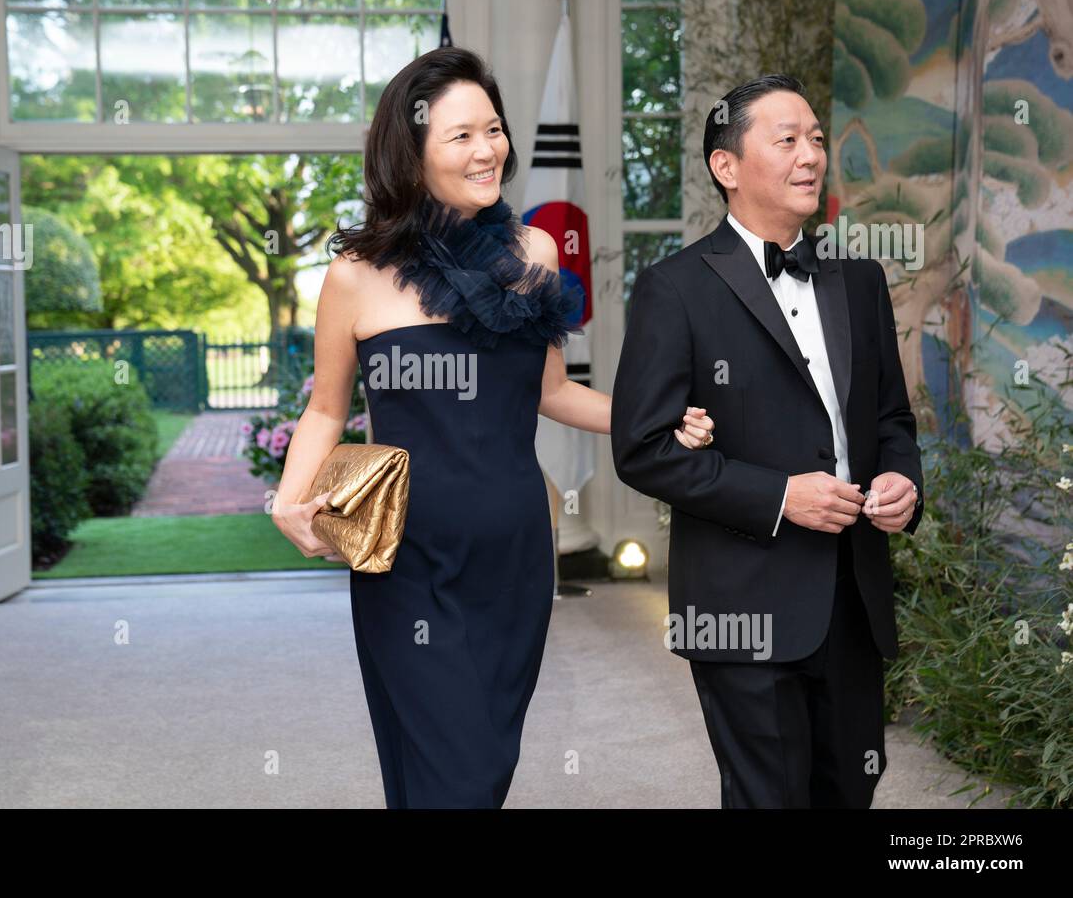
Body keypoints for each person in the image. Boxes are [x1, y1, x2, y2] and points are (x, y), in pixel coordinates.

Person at [271, 46, 716, 808]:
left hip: (514, 550)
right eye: (462, 135)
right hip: (404, 555)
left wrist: (654, 415)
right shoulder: (353, 274)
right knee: (458, 771)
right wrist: (288, 498)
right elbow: (325, 408)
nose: (488, 150)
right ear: (410, 152)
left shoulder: (532, 251)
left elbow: (551, 391)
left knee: (482, 763)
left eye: (495, 130)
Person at [611, 74, 924, 808]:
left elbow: (891, 422)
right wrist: (781, 495)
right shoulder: (675, 289)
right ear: (728, 167)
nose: (811, 154)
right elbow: (643, 447)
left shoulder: (861, 281)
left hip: (852, 596)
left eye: (816, 138)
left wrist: (903, 482)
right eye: (787, 140)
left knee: (850, 792)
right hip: (739, 601)